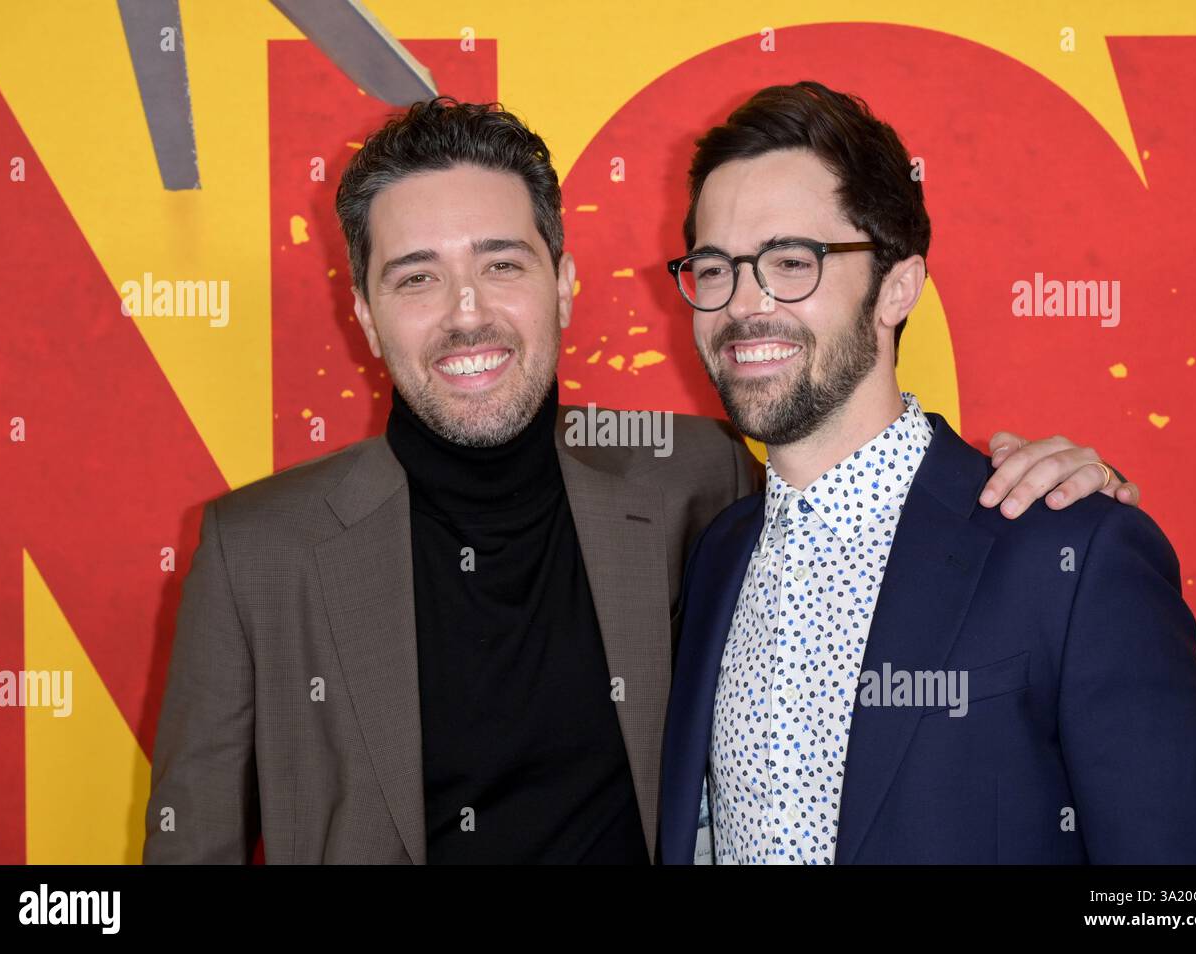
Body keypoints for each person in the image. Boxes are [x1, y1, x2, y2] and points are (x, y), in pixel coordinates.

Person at [144, 97, 1141, 865]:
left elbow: (886, 514)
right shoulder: (256, 552)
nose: (465, 313)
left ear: (564, 284)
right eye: (414, 277)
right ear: (364, 315)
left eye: (502, 263)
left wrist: (1074, 499)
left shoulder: (694, 482)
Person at [658, 82, 1196, 864]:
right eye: (715, 267)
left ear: (897, 287)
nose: (743, 306)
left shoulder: (1073, 551)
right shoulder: (718, 554)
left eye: (791, 261)